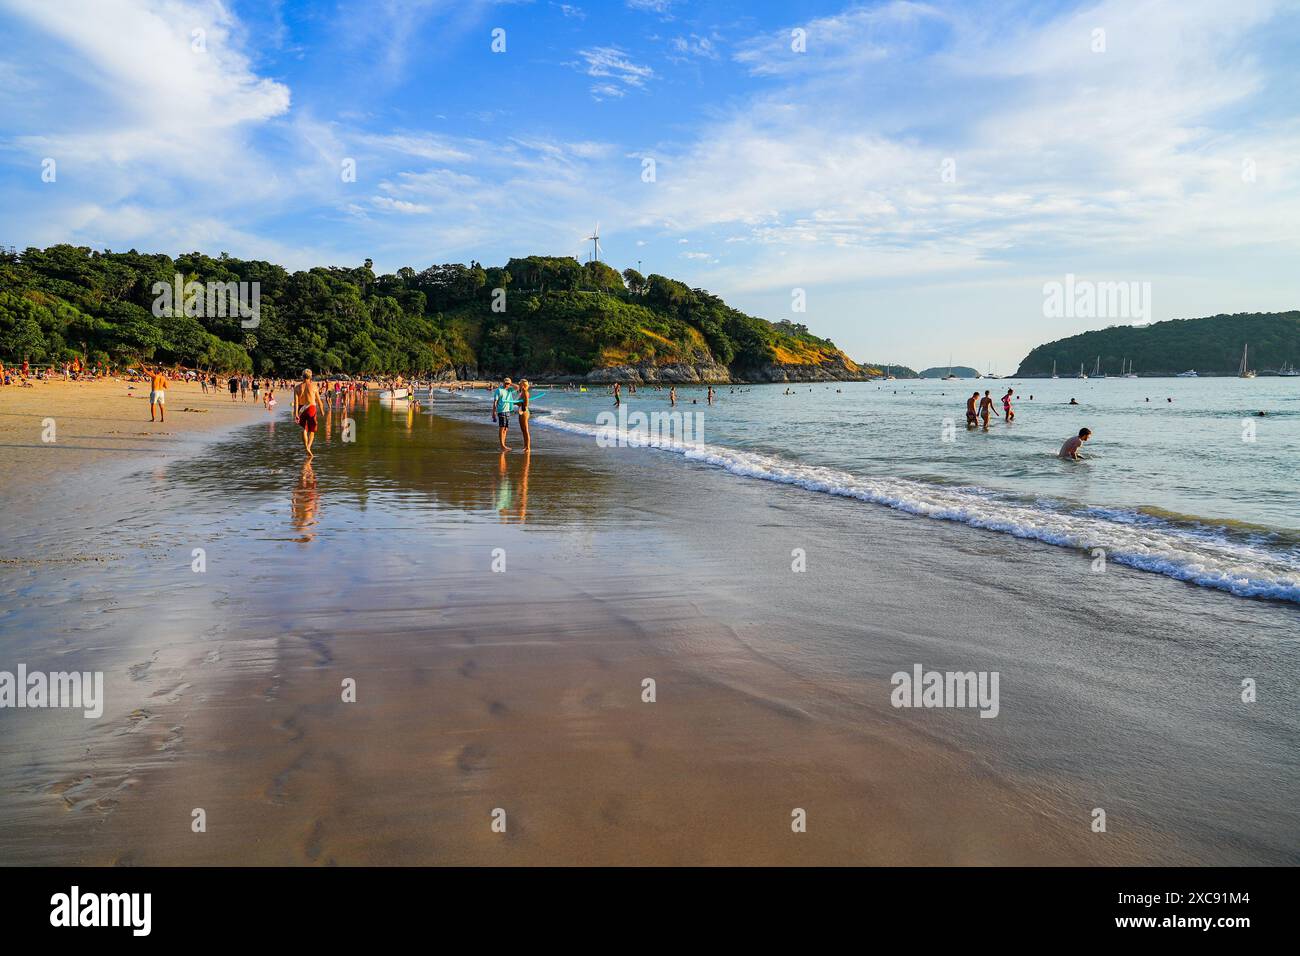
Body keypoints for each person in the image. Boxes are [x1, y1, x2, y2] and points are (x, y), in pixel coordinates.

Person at [293, 368, 325, 457]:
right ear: (311, 376)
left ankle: (305, 446)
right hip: (311, 407)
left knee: (304, 429)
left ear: (302, 376)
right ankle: (308, 447)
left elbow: (296, 402)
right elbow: (319, 401)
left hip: (301, 408)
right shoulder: (314, 386)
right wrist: (322, 410)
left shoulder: (297, 387)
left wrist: (296, 413)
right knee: (312, 430)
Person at [492, 376, 516, 451]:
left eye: (508, 383)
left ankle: (503, 444)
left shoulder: (510, 389)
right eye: (505, 383)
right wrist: (493, 412)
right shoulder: (499, 390)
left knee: (506, 428)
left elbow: (518, 387)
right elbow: (495, 402)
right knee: (502, 427)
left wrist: (511, 384)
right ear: (503, 383)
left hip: (508, 411)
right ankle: (502, 445)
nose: (506, 384)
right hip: (501, 411)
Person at [516, 378, 532, 452]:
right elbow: (521, 402)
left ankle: (528, 447)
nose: (519, 384)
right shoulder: (522, 392)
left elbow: (526, 404)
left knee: (526, 430)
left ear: (523, 385)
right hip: (521, 411)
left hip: (524, 412)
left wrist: (517, 403)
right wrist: (516, 403)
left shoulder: (525, 392)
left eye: (520, 383)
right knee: (523, 430)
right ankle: (525, 446)